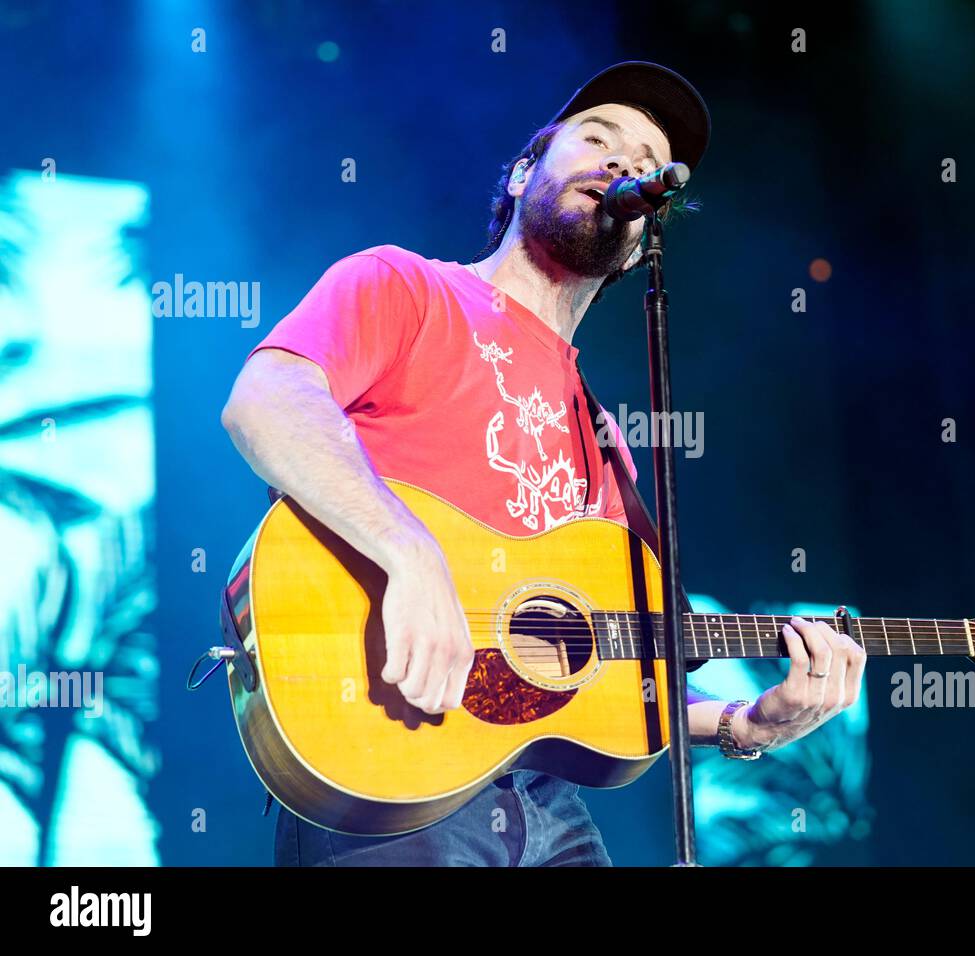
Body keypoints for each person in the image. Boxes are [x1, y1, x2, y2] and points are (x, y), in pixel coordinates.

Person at [220, 61, 867, 866]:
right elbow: (264, 400)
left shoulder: (605, 442)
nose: (624, 162)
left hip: (543, 803)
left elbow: (613, 656)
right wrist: (409, 551)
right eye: (599, 138)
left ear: (639, 250)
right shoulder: (404, 288)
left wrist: (748, 723)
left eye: (644, 159)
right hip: (392, 763)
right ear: (527, 169)